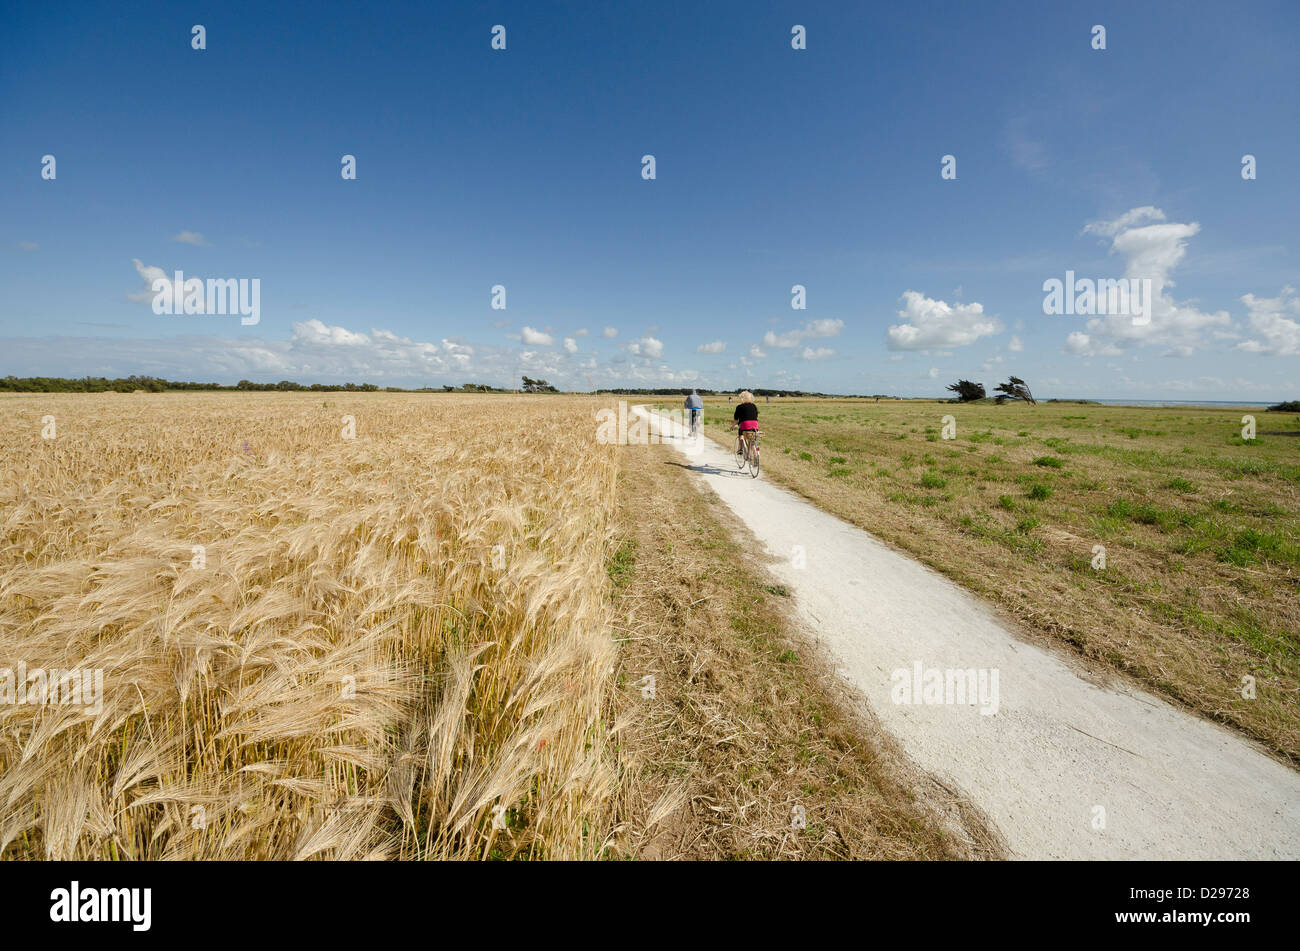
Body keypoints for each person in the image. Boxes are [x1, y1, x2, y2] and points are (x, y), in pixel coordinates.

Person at [730, 390, 759, 456]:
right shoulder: (754, 406)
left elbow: (736, 419)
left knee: (741, 434)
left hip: (745, 425)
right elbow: (756, 416)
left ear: (742, 398)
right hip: (755, 425)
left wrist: (733, 426)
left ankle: (740, 449)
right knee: (751, 440)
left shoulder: (739, 407)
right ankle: (755, 456)